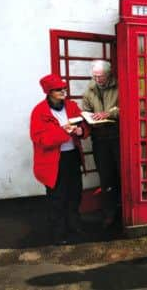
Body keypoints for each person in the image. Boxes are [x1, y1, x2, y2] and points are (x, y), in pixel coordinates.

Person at [30, 74, 89, 245]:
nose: (63, 91)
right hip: (53, 161)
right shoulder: (39, 111)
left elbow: (83, 125)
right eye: (58, 90)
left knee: (75, 194)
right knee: (57, 198)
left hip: (72, 157)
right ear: (49, 92)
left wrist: (81, 131)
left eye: (63, 88)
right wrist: (64, 131)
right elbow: (40, 138)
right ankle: (59, 233)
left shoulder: (71, 106)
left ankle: (75, 226)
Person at [82, 60, 120, 228]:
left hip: (119, 136)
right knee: (105, 177)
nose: (97, 79)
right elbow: (85, 109)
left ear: (109, 74)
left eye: (101, 76)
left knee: (122, 174)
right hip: (99, 138)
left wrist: (109, 114)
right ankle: (109, 213)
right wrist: (88, 117)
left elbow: (128, 105)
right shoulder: (90, 90)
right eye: (95, 76)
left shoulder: (120, 86)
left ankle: (124, 209)